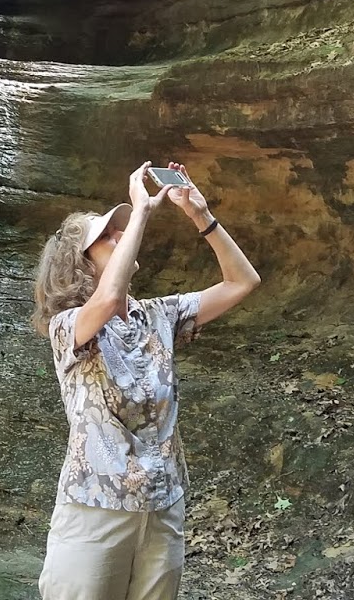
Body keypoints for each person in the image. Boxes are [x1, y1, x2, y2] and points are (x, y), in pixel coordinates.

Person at [32, 161, 261, 600]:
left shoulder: (158, 315)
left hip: (162, 506)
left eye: (121, 229)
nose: (120, 236)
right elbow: (109, 298)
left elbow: (241, 282)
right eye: (107, 237)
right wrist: (139, 212)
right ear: (81, 265)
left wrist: (202, 216)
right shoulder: (68, 327)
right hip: (96, 512)